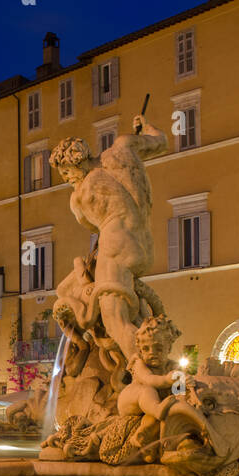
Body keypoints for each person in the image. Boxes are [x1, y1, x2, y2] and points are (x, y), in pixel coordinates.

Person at [50, 116, 168, 364]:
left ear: (77, 162)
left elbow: (89, 223)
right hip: (143, 246)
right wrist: (146, 126)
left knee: (115, 321)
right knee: (65, 289)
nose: (65, 178)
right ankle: (105, 348)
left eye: (66, 172)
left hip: (114, 244)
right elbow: (161, 141)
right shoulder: (122, 148)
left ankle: (144, 374)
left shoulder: (80, 195)